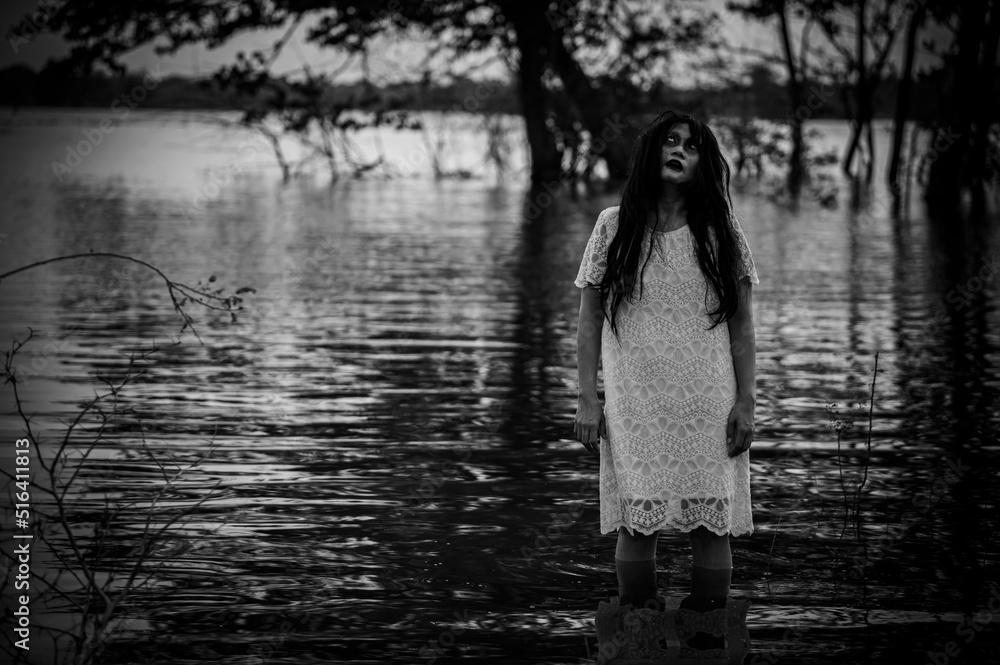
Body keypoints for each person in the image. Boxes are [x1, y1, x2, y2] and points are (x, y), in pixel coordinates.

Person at [573, 111, 758, 628]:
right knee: (639, 521)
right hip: (636, 401)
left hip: (708, 399)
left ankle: (707, 637)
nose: (679, 150)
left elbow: (742, 327)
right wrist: (588, 398)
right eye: (670, 141)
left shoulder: (721, 230)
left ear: (704, 163)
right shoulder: (614, 225)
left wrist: (746, 401)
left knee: (709, 525)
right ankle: (636, 637)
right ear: (652, 152)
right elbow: (589, 321)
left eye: (693, 146)